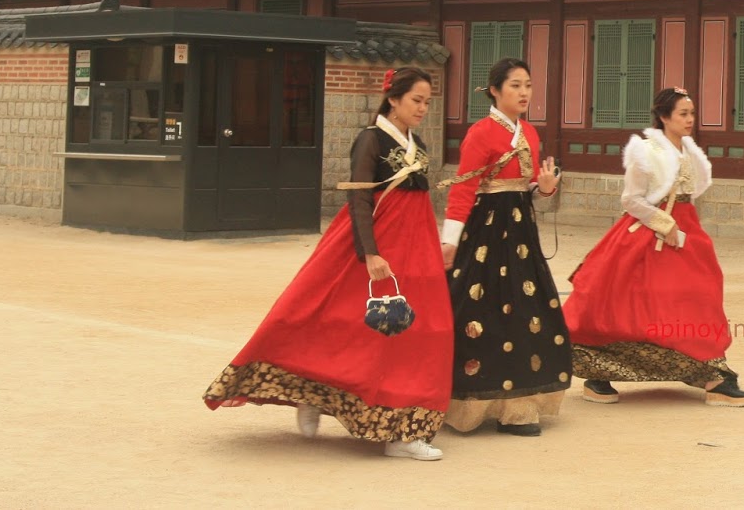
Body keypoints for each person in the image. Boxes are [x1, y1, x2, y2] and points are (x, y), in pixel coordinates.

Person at [204, 66, 453, 461]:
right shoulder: (370, 140)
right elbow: (359, 200)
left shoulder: (416, 142)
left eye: (427, 102)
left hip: (415, 247)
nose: (423, 108)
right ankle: (312, 392)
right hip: (376, 245)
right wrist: (370, 252)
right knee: (337, 321)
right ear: (393, 99)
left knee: (418, 332)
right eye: (416, 100)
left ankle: (402, 431)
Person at [563, 87, 744, 406]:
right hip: (649, 233)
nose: (690, 120)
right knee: (632, 305)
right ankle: (600, 373)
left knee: (700, 295)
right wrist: (665, 225)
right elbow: (630, 200)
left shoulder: (688, 151)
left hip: (685, 231)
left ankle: (709, 371)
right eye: (683, 114)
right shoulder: (646, 152)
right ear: (664, 117)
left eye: (692, 114)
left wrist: (685, 229)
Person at [441, 57, 571, 435]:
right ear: (494, 91)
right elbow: (464, 188)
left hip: (520, 232)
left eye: (528, 85)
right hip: (486, 232)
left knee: (527, 308)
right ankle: (470, 403)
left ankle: (518, 406)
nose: (524, 92)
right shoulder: (480, 133)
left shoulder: (529, 132)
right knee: (481, 310)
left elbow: (529, 186)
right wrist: (450, 240)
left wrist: (545, 188)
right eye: (515, 85)